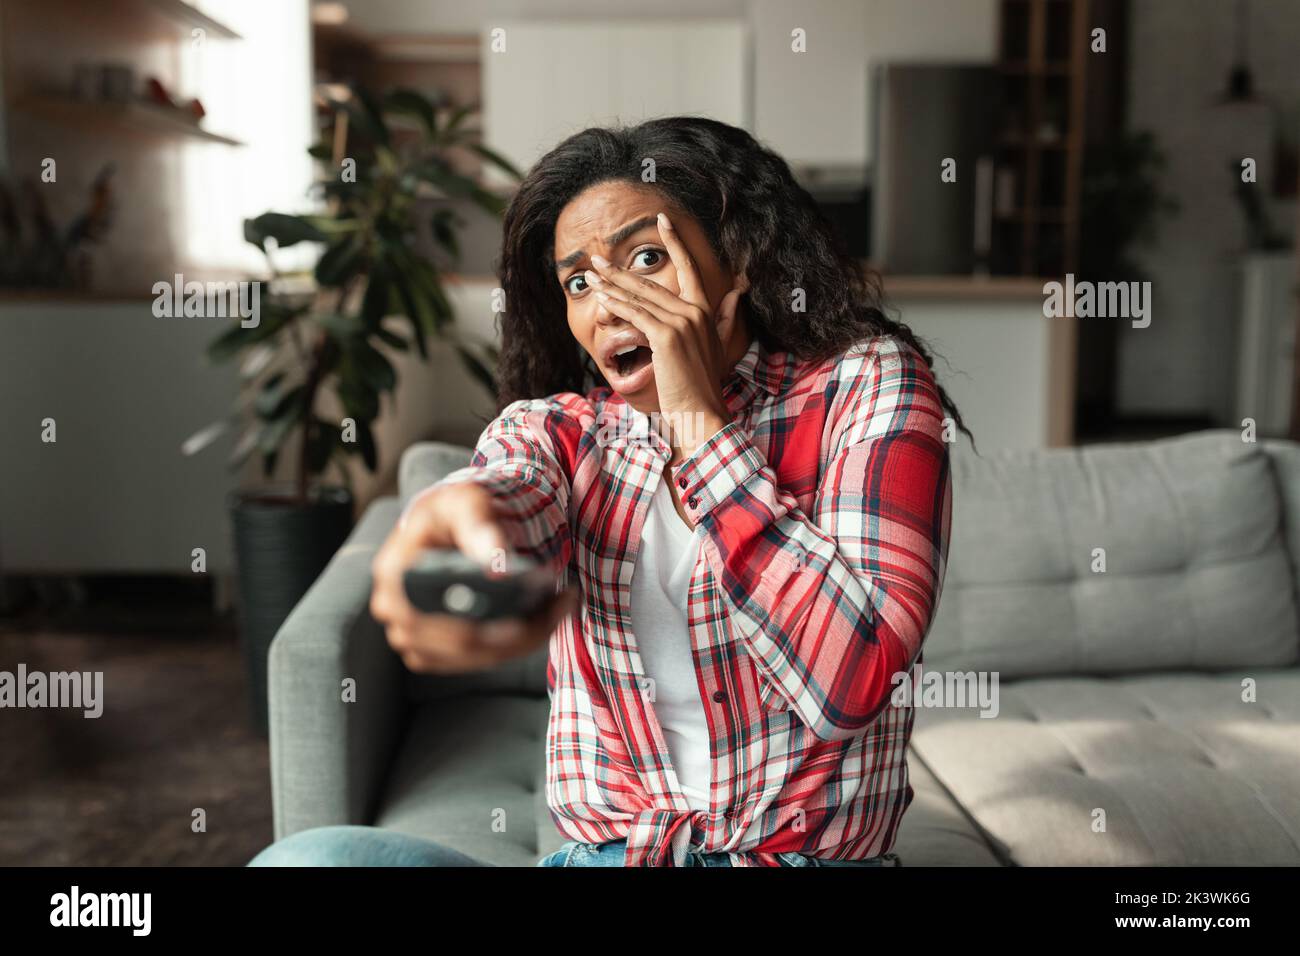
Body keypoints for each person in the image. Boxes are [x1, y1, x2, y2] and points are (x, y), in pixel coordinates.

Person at [248, 116, 964, 868]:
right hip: (609, 860)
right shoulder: (565, 434)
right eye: (579, 281)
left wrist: (699, 422)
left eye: (645, 258)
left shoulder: (867, 384)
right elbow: (505, 494)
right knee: (311, 860)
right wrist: (458, 535)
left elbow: (849, 679)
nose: (608, 305)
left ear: (738, 261)